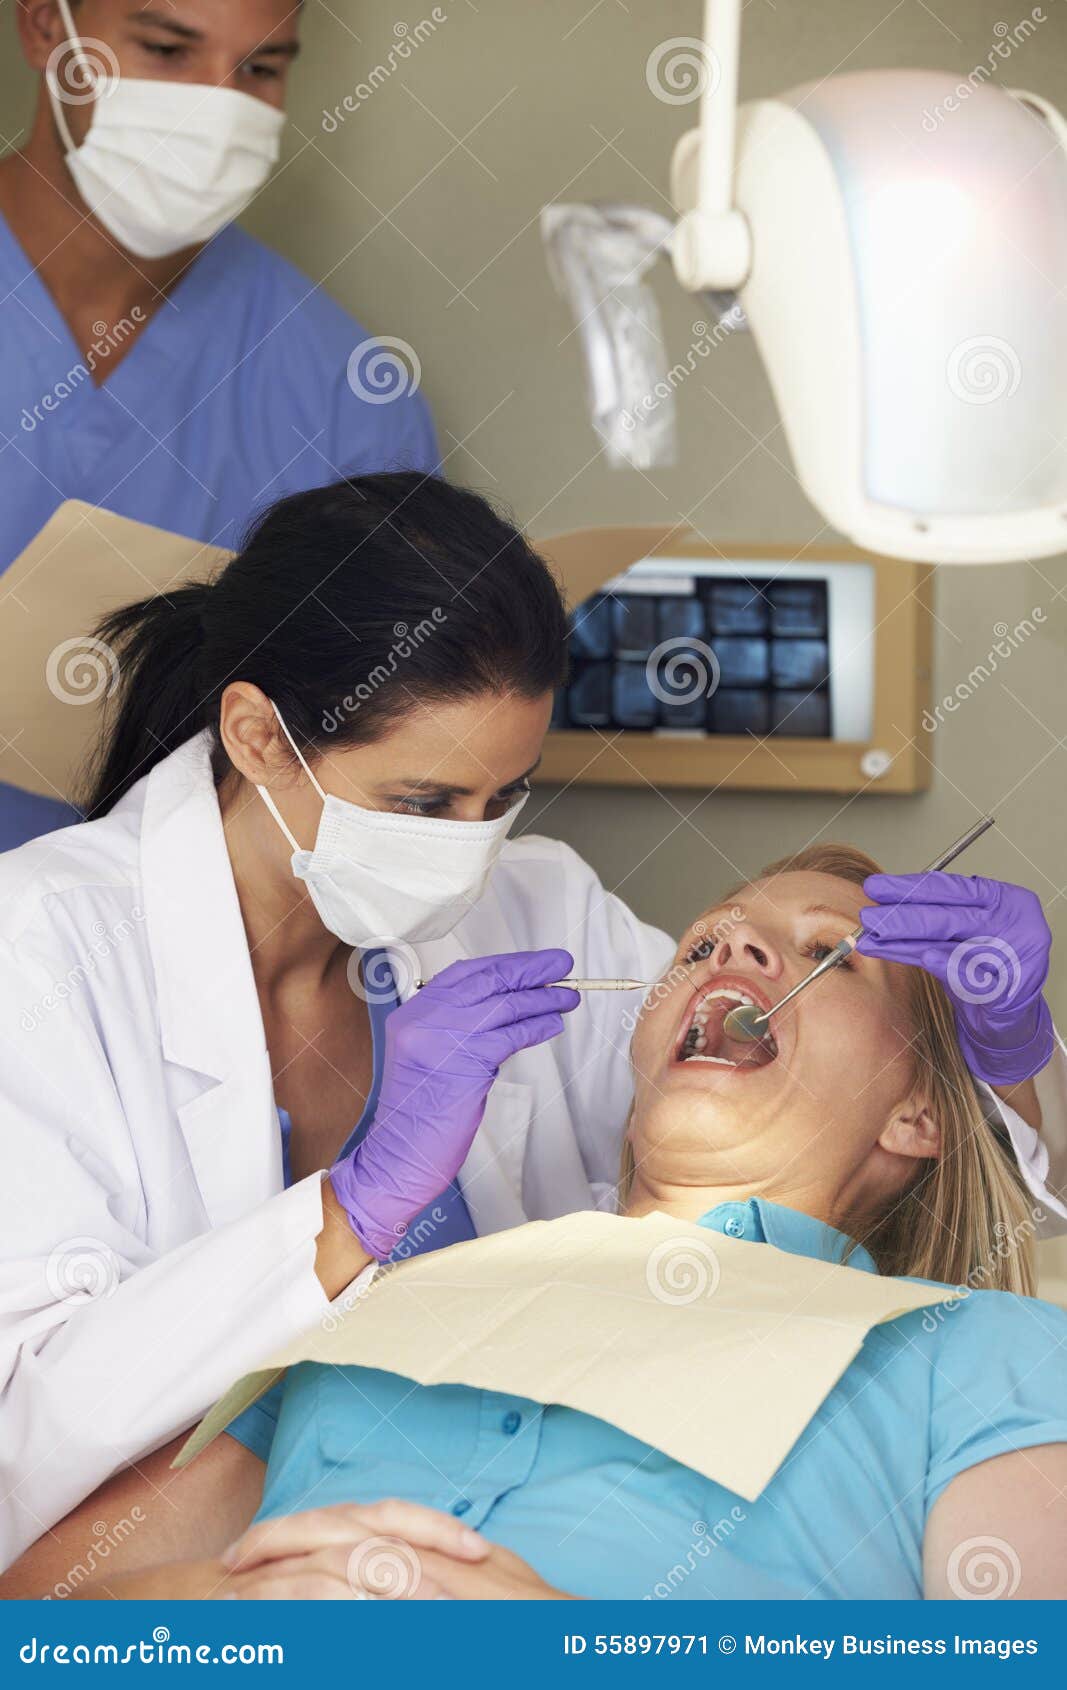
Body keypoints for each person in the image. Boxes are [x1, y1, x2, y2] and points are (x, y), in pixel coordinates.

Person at [0, 473, 1062, 1569]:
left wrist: (1009, 1043)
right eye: (424, 804)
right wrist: (347, 1217)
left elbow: (813, 1118)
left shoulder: (539, 909)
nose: (473, 846)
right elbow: (34, 1504)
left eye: (503, 795)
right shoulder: (35, 953)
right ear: (259, 737)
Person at [6, 844, 1066, 1601]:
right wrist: (229, 1612)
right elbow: (39, 1625)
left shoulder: (978, 1353)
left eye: (827, 951)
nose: (733, 942)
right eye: (702, 942)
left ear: (917, 1113)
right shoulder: (369, 1316)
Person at [0, 0, 435, 844]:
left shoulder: (349, 397)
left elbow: (363, 754)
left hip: (161, 945)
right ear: (45, 29)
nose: (214, 103)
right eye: (166, 48)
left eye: (261, 69)